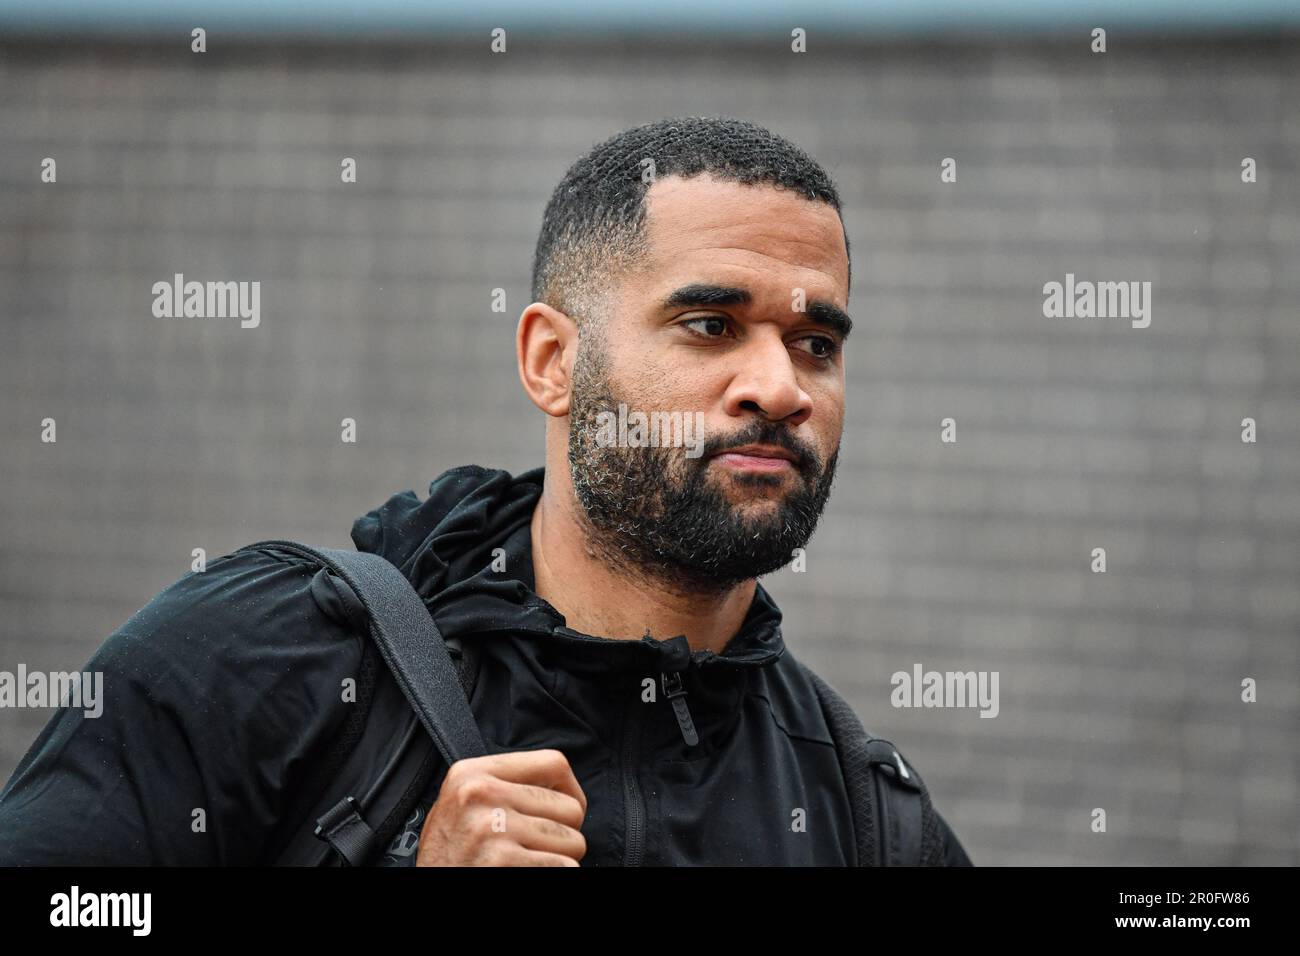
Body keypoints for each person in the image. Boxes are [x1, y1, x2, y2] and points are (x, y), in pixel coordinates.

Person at [0, 116, 971, 867]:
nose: (782, 387)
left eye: (817, 344)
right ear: (552, 360)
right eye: (711, 324)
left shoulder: (865, 816)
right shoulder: (256, 661)